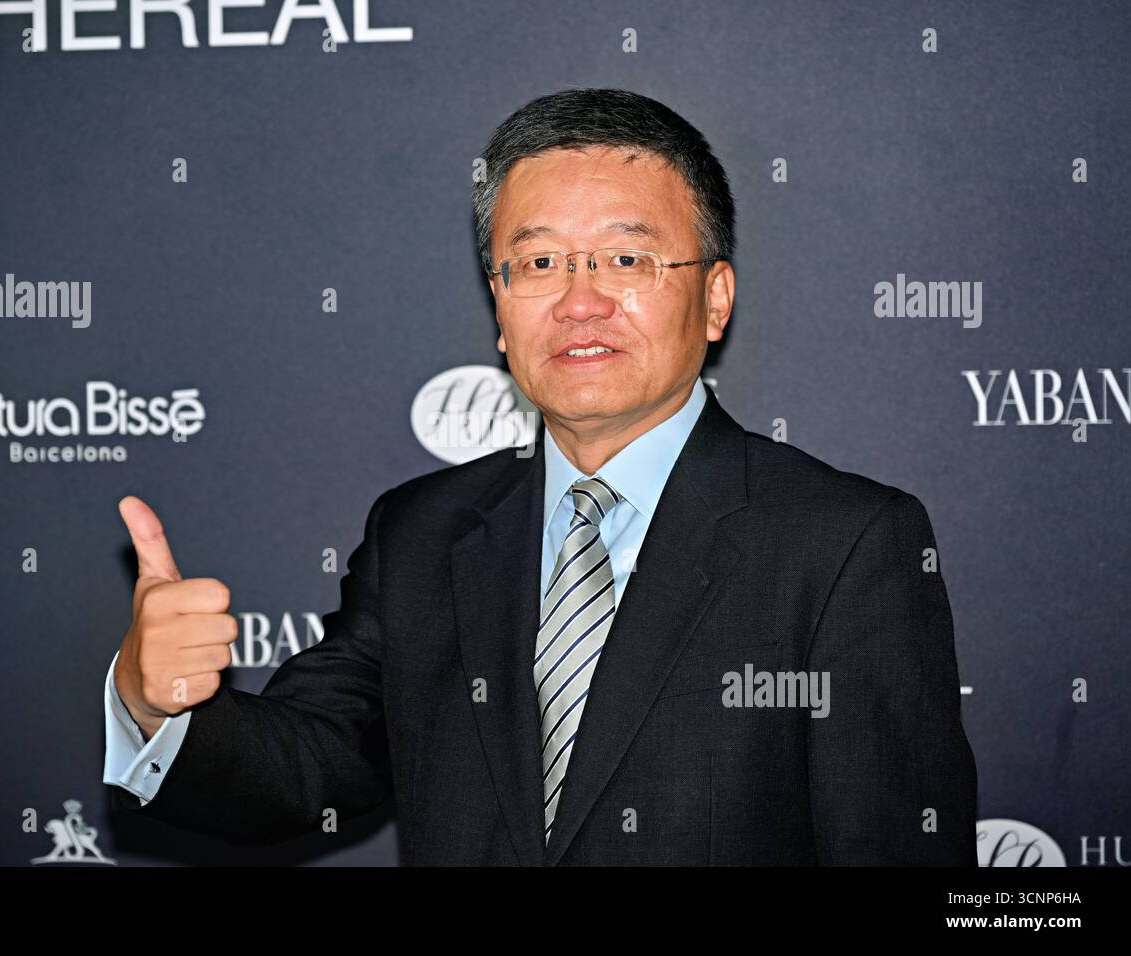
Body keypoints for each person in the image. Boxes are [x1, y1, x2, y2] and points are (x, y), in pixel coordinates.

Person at [102, 88, 978, 865]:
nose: (580, 299)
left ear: (715, 298)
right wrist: (155, 709)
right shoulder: (422, 532)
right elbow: (311, 766)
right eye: (540, 261)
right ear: (499, 307)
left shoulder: (843, 544)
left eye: (627, 259)